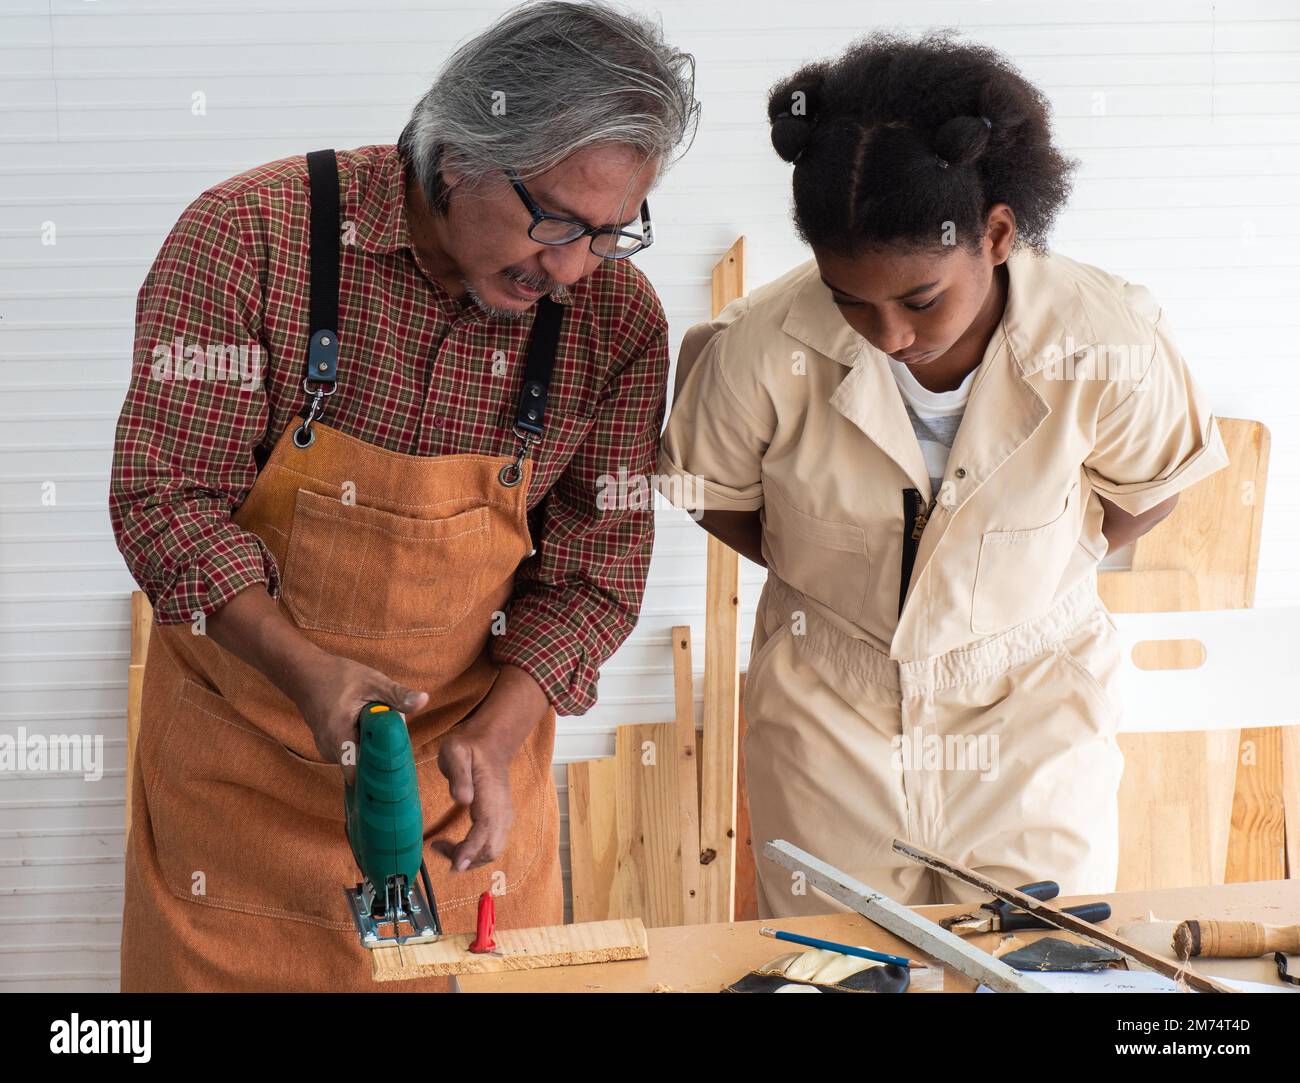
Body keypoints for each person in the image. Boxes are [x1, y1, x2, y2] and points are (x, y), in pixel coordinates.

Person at [110, 1, 698, 990]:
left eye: (607, 233)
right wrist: (305, 671)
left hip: (461, 790)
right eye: (551, 220)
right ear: (458, 155)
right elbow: (165, 499)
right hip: (241, 777)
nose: (567, 269)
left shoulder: (613, 320)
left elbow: (594, 579)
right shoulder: (249, 238)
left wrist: (500, 734)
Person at [655, 32, 1229, 915]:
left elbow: (1151, 488)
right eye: (851, 299)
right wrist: (838, 569)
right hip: (827, 697)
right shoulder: (759, 350)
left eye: (920, 300)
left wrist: (1015, 567)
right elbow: (710, 493)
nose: (887, 334)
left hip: (1032, 698)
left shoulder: (1106, 338)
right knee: (834, 960)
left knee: (1045, 957)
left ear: (996, 233)